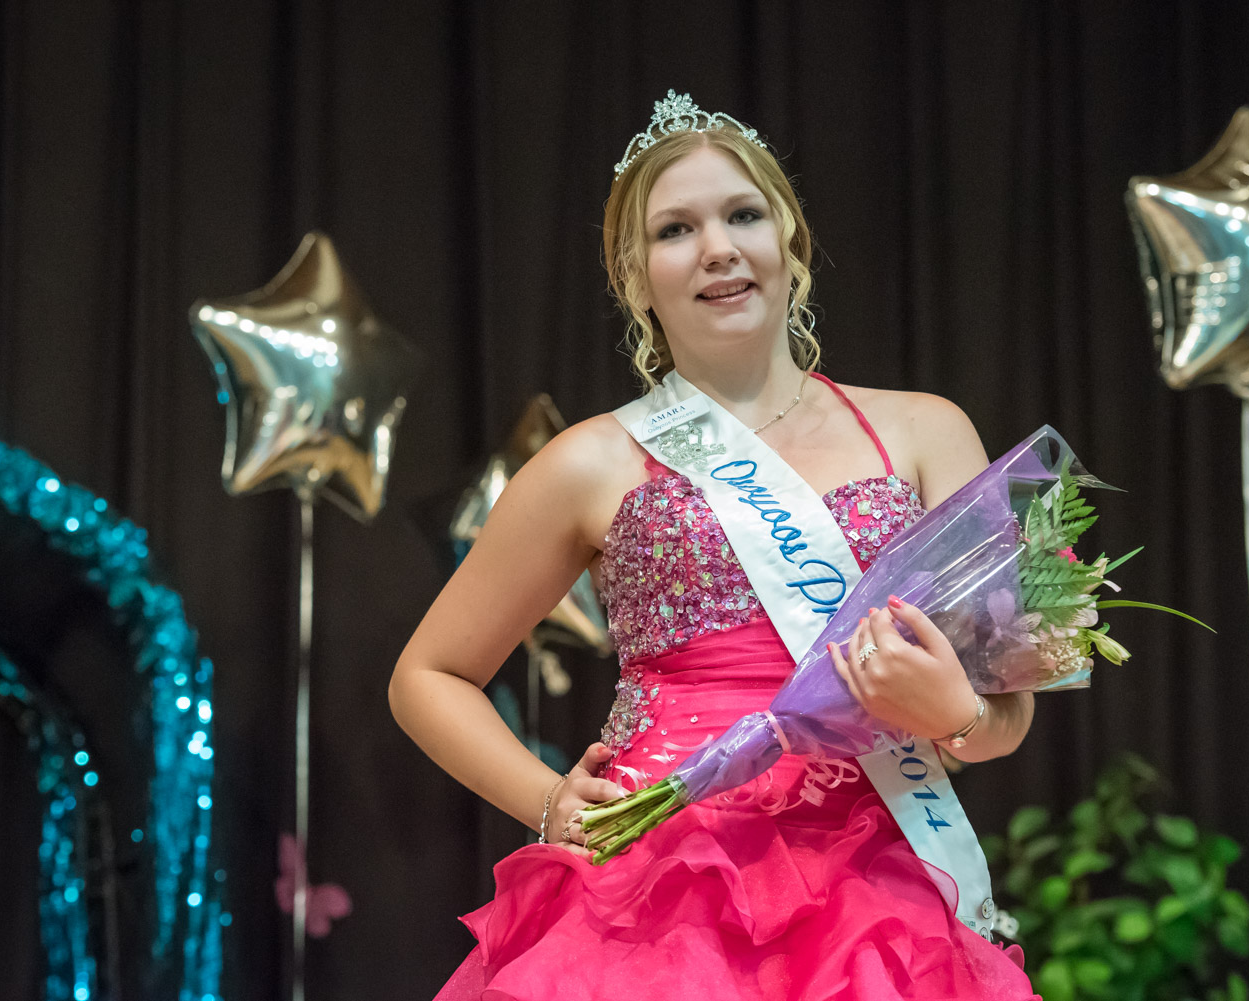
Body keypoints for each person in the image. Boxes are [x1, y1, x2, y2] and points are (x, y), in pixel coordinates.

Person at [389, 91, 1039, 1000]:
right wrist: (546, 799)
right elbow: (427, 674)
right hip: (656, 886)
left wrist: (953, 714)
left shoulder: (928, 431)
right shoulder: (590, 461)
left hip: (881, 882)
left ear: (790, 240)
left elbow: (1005, 719)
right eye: (675, 229)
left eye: (743, 214)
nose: (718, 247)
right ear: (634, 273)